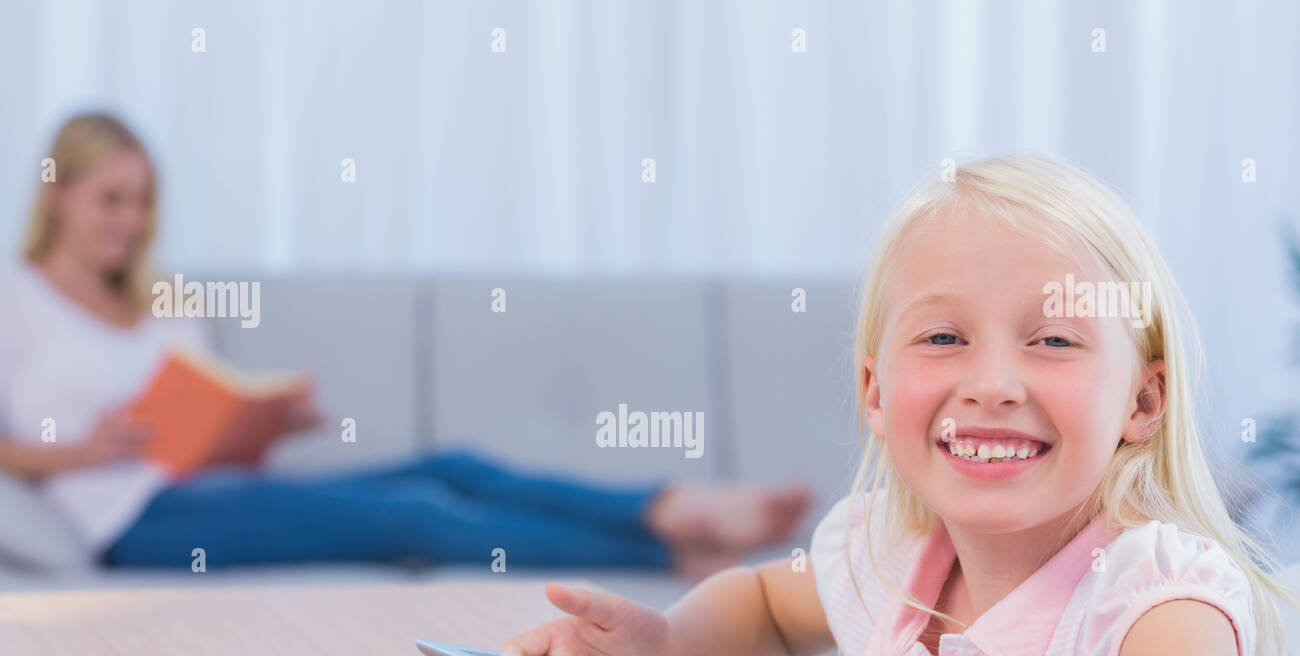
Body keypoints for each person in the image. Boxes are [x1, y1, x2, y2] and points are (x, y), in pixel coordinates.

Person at [494, 154, 1300, 656]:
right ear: (875, 393)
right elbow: (771, 608)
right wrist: (665, 649)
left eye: (1054, 341)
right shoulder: (885, 547)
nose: (992, 382)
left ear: (1143, 399)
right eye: (944, 338)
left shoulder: (1153, 586)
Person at [0, 113, 810, 575]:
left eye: (141, 202)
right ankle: (670, 555)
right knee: (416, 516)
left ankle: (665, 506)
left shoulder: (161, 299)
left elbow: (204, 437)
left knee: (451, 464)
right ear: (57, 194)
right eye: (111, 199)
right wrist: (78, 452)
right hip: (130, 522)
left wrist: (258, 426)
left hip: (200, 489)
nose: (129, 222)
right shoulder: (16, 297)